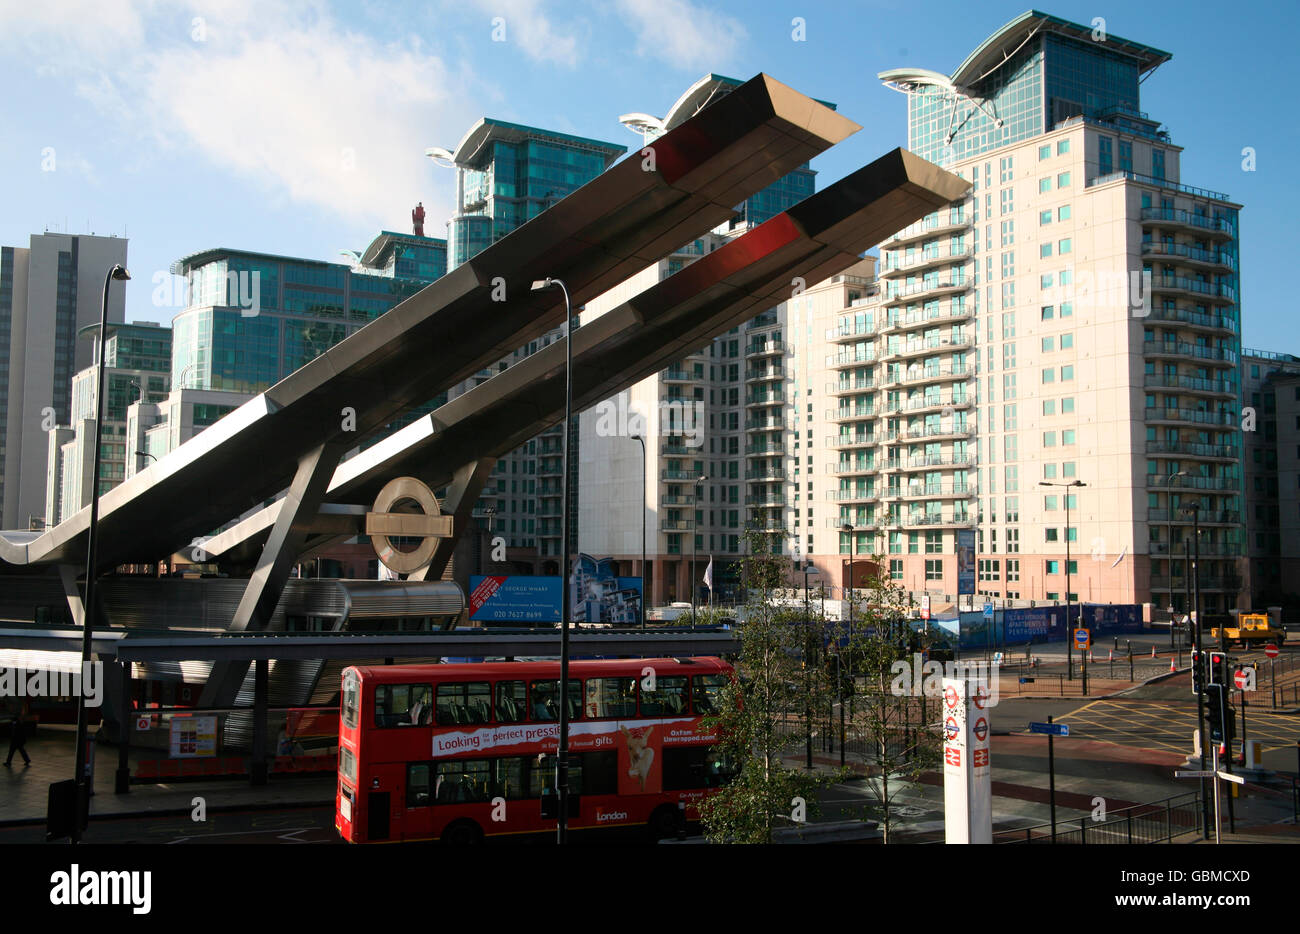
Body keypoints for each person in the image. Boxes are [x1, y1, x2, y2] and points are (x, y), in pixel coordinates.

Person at [5, 699, 32, 767]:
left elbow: (17, 727)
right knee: (20, 749)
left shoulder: (17, 718)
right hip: (19, 737)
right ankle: (27, 760)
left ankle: (8, 762)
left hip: (17, 737)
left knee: (13, 750)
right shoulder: (18, 717)